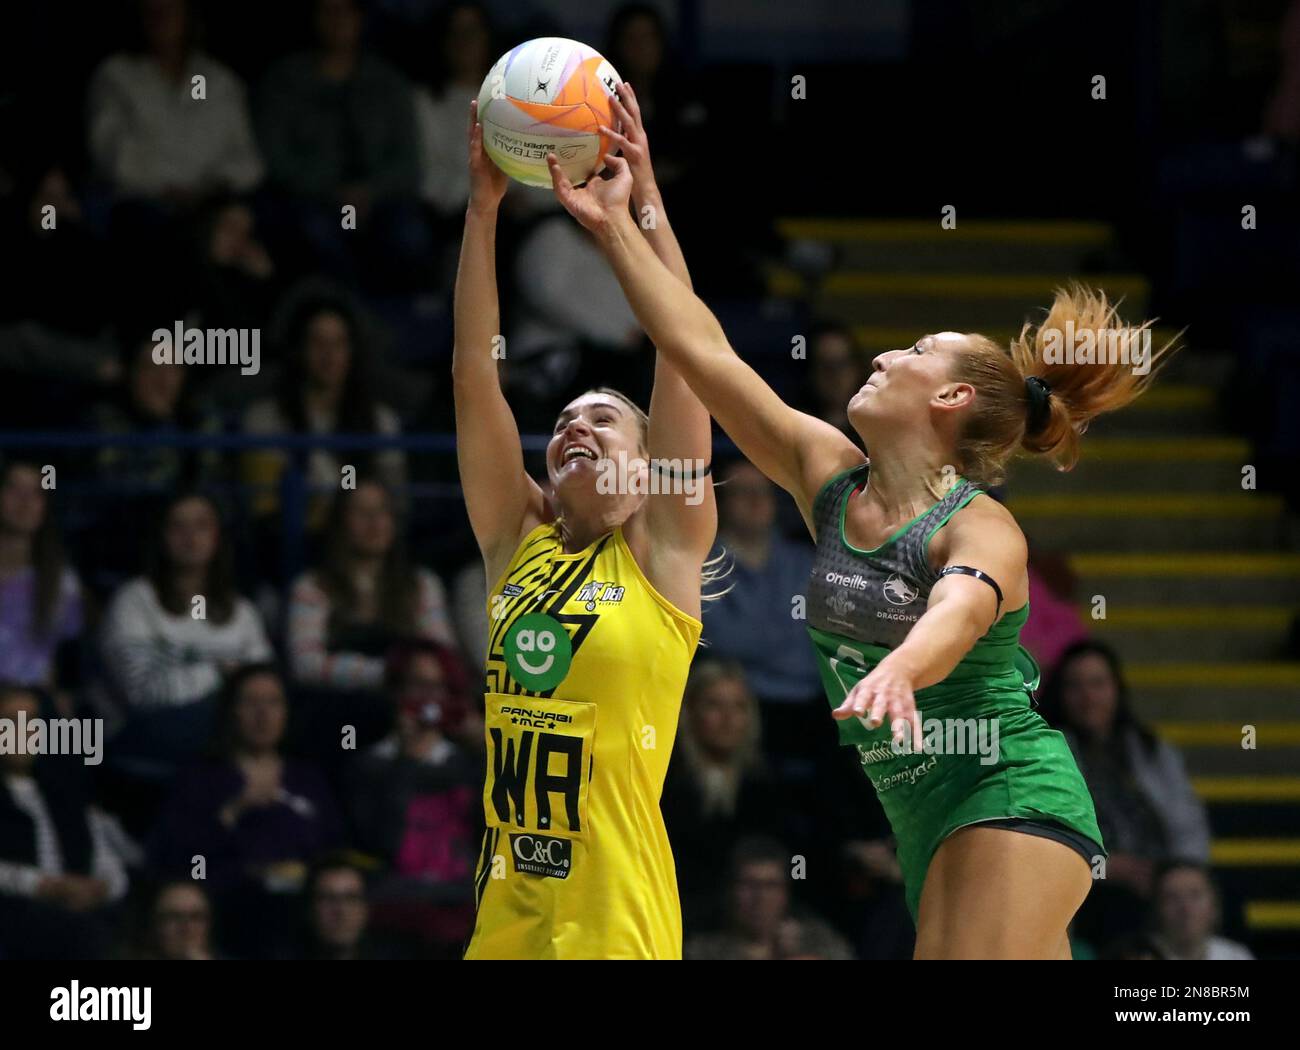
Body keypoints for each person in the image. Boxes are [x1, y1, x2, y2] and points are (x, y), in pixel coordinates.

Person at [550, 143, 1179, 958]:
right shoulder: (829, 478)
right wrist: (626, 221)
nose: (884, 355)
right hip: (924, 820)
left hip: (1009, 788)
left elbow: (957, 609)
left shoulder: (979, 524)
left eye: (914, 351)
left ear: (950, 399)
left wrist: (901, 668)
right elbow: (702, 353)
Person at [455, 87, 716, 959]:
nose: (576, 425)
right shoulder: (513, 541)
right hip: (505, 923)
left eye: (605, 419)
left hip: (616, 927)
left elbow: (689, 353)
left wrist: (644, 199)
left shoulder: (663, 554)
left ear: (648, 473)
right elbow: (472, 376)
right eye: (564, 418)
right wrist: (485, 210)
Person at [150, 664, 342, 958]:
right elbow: (177, 857)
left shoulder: (307, 777)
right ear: (230, 711)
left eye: (273, 702)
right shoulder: (200, 777)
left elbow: (332, 846)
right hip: (231, 906)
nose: (263, 714)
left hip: (303, 904)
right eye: (251, 702)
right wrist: (231, 813)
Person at [1039, 640, 1211, 945]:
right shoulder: (1047, 751)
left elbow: (1188, 823)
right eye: (1075, 686)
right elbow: (1046, 834)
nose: (1088, 697)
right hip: (1091, 881)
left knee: (1215, 901)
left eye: (1098, 684)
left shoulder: (1150, 750)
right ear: (1060, 694)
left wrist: (1177, 874)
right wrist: (1103, 865)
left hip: (1160, 877)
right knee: (1118, 909)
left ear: (1116, 690)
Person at [100, 491, 272, 784]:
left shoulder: (242, 611)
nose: (190, 536)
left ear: (217, 536)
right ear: (162, 536)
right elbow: (142, 694)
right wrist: (220, 672)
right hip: (152, 735)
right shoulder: (133, 601)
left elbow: (264, 688)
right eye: (178, 526)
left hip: (229, 737)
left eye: (202, 525)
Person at [343, 639, 482, 956]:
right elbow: (380, 842)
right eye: (418, 685)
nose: (427, 698)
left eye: (437, 687)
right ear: (396, 691)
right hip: (395, 906)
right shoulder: (369, 766)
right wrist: (406, 762)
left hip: (461, 905)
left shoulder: (470, 764)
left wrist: (487, 747)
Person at [660, 661, 795, 930]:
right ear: (689, 712)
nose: (728, 719)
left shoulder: (765, 785)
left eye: (739, 707)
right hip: (679, 916)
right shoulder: (664, 781)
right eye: (713, 705)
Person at [0, 684, 130, 960]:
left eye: (31, 722)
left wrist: (102, 887)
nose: (22, 733)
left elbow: (107, 860)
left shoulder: (65, 791)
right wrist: (45, 886)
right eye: (9, 722)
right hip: (17, 913)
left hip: (82, 909)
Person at [684, 836, 853, 960]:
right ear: (730, 890)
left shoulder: (817, 941)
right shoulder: (702, 950)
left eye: (771, 885)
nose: (760, 897)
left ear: (786, 892)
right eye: (749, 884)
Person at [0, 461, 83, 691]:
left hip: (34, 703)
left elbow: (69, 655)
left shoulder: (63, 581)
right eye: (14, 489)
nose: (24, 502)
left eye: (35, 493)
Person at [1147, 862, 1254, 961]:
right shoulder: (1140, 955)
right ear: (1157, 908)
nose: (1185, 908)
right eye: (1172, 897)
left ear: (1214, 906)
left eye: (1195, 896)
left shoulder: (1235, 955)